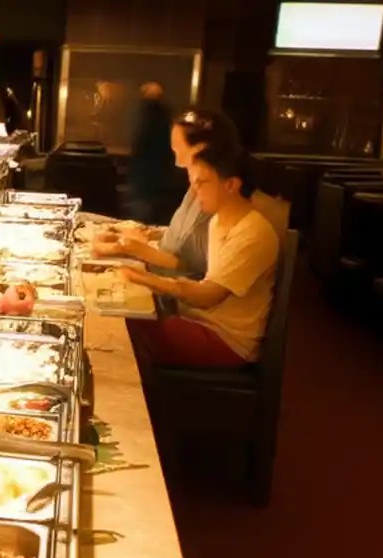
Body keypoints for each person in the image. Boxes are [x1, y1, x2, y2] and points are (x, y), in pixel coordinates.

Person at [123, 145, 280, 369]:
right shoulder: (217, 220)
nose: (195, 193)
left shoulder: (252, 233)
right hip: (198, 321)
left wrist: (146, 279)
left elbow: (208, 296)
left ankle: (151, 400)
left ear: (231, 185)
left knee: (128, 328)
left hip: (225, 339)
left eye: (201, 183)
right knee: (127, 312)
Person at [92, 107, 242, 280]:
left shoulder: (213, 192)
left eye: (179, 150)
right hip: (161, 269)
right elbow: (181, 239)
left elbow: (195, 266)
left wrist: (135, 248)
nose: (177, 161)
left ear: (201, 149)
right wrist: (151, 234)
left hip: (180, 287)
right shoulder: (196, 185)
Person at [127, 82, 177, 225]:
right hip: (159, 170)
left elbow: (140, 140)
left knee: (143, 209)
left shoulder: (144, 115)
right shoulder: (165, 116)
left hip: (146, 171)